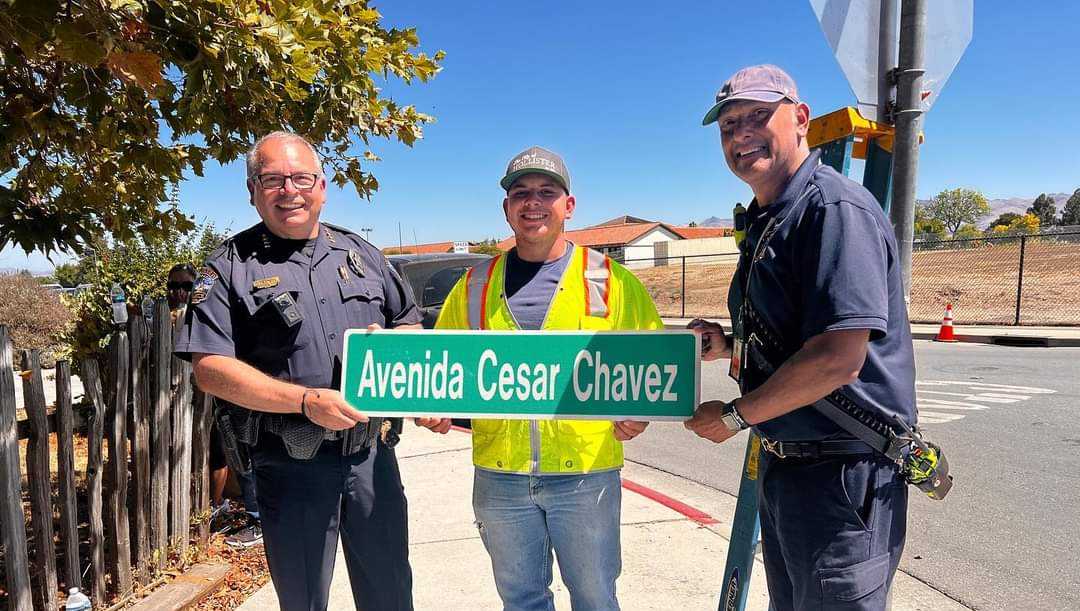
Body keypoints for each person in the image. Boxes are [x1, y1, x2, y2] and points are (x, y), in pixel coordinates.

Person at [684, 65, 918, 610]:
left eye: (757, 117)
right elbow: (795, 336)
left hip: (842, 474)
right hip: (789, 469)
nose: (740, 134)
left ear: (801, 119)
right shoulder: (772, 218)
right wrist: (730, 346)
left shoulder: (833, 210)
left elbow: (838, 359)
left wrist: (736, 416)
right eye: (728, 125)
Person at [175, 131, 439, 610]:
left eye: (301, 177)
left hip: (371, 460)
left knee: (390, 594)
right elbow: (210, 368)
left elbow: (410, 324)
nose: (289, 190)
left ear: (322, 186)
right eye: (272, 179)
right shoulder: (228, 268)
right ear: (253, 190)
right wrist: (303, 401)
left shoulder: (363, 255)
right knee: (303, 601)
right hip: (291, 464)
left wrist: (397, 345)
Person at [422, 146, 664, 611]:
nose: (533, 203)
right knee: (522, 600)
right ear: (507, 208)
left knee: (595, 598)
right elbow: (443, 370)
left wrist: (643, 413)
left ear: (568, 205)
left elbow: (653, 366)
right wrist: (434, 409)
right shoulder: (473, 285)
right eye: (521, 193)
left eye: (546, 192)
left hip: (585, 473)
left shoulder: (611, 280)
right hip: (501, 474)